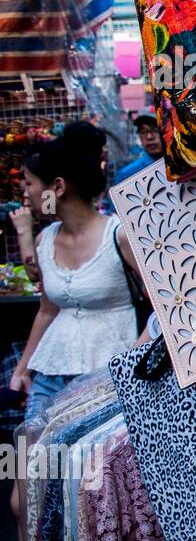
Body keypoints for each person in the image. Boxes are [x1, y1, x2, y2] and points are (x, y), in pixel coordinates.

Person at [8, 122, 142, 422]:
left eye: (29, 183)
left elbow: (163, 306)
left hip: (106, 379)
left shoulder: (119, 236)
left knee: (95, 466)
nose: (25, 193)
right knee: (40, 464)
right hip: (49, 377)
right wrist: (22, 369)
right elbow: (47, 310)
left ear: (57, 187)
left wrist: (135, 361)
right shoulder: (45, 241)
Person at [113, 113, 164, 184]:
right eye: (143, 132)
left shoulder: (182, 166)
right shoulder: (127, 175)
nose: (149, 137)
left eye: (155, 130)